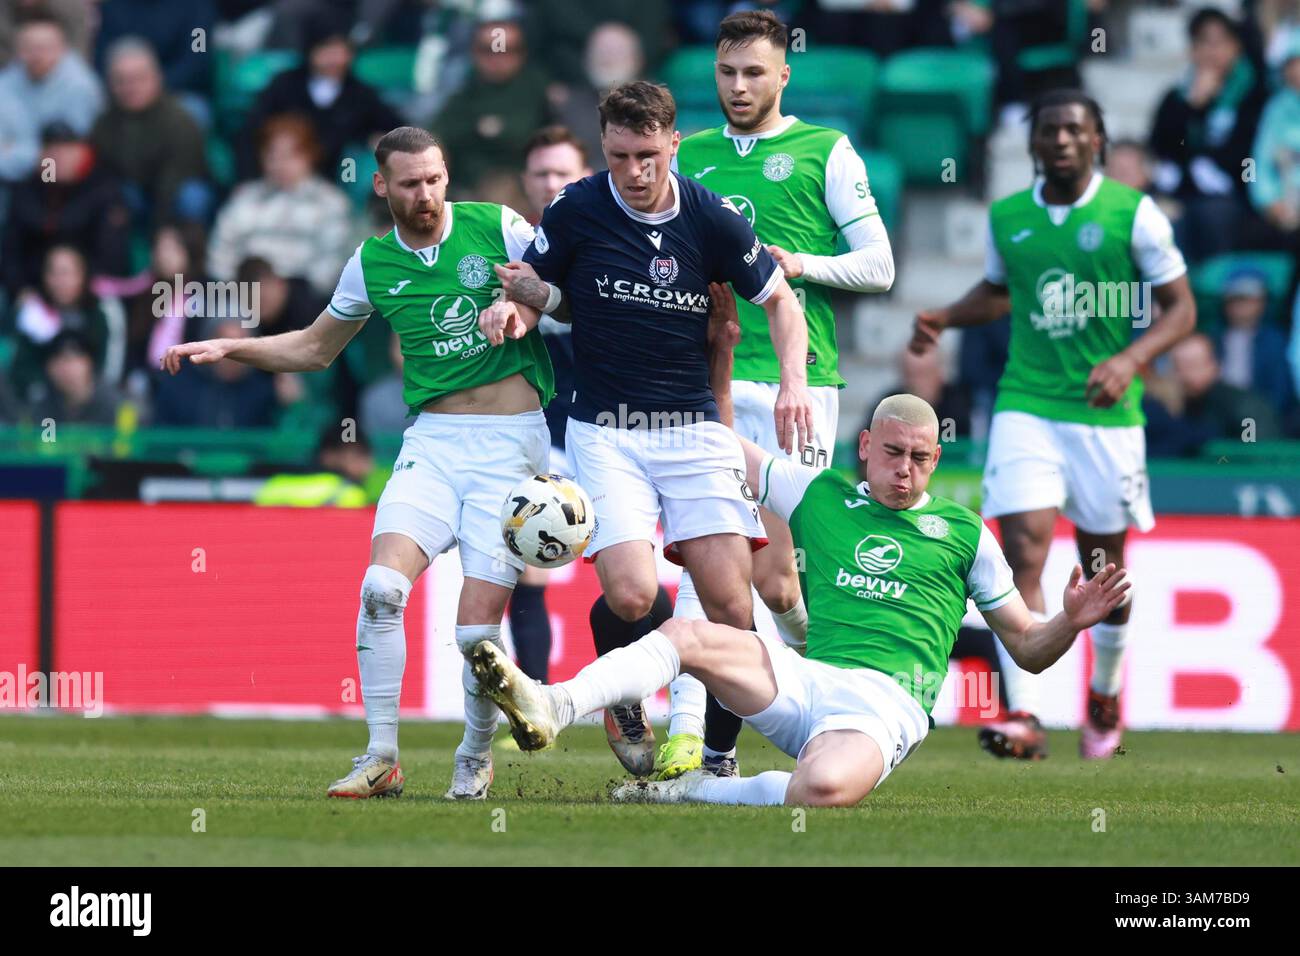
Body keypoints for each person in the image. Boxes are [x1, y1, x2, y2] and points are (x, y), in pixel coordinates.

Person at [465, 392, 1130, 806]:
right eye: (893, 453)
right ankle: (555, 704)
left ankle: (697, 791)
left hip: (885, 704)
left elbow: (1026, 648)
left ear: (935, 458)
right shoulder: (821, 494)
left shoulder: (965, 532)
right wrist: (715, 355)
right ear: (866, 446)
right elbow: (717, 443)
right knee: (690, 634)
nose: (905, 471)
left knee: (823, 791)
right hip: (804, 678)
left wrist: (1069, 622)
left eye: (921, 458)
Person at [162, 126, 556, 802]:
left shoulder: (499, 226)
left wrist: (518, 303)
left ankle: (472, 753)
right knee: (381, 589)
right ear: (382, 186)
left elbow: (562, 294)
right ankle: (381, 755)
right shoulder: (371, 262)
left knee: (475, 636)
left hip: (511, 442)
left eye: (434, 179)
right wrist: (233, 350)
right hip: (431, 443)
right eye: (410, 183)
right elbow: (316, 348)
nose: (426, 194)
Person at [489, 79, 814, 778]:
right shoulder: (575, 208)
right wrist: (513, 311)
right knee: (632, 594)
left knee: (732, 604)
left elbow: (783, 301)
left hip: (693, 427)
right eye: (618, 156)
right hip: (605, 427)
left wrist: (794, 383)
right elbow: (540, 294)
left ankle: (720, 758)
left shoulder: (710, 217)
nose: (633, 173)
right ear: (604, 147)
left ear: (673, 142)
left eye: (646, 156)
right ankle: (624, 696)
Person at [911, 89, 1196, 760]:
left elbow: (1181, 310)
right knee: (1024, 553)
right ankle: (1026, 715)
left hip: (1107, 417)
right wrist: (945, 318)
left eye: (1074, 129)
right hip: (1027, 403)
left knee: (1103, 568)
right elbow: (1000, 291)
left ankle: (1103, 688)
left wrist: (1132, 357)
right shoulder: (1009, 217)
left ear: (1098, 140)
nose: (1062, 139)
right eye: (1049, 130)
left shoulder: (1135, 214)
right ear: (1034, 144)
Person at [665, 9, 895, 780]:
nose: (739, 87)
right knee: (709, 561)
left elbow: (878, 266)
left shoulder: (824, 150)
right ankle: (697, 743)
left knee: (775, 581)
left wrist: (797, 263)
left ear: (783, 74)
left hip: (801, 389)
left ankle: (812, 664)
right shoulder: (686, 156)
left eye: (754, 73)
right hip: (708, 386)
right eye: (727, 73)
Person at [207, 114, 354, 295]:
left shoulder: (332, 203)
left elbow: (332, 264)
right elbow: (221, 254)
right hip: (244, 295)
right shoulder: (245, 198)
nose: (279, 164)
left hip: (304, 300)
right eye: (272, 155)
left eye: (289, 155)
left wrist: (283, 295)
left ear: (310, 156)